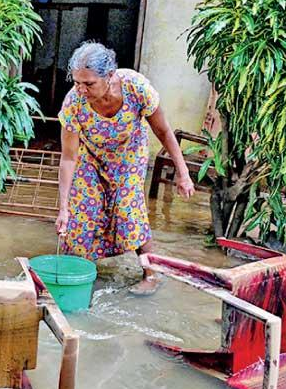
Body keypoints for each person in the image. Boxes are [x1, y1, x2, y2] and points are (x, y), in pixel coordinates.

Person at [55, 41, 194, 295]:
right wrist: (64, 207)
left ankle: (151, 273)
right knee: (83, 214)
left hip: (129, 156)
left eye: (89, 84)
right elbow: (68, 159)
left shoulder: (136, 88)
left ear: (109, 75)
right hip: (90, 157)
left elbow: (163, 131)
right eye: (77, 82)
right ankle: (81, 273)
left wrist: (183, 173)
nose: (81, 89)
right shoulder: (73, 102)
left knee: (129, 211)